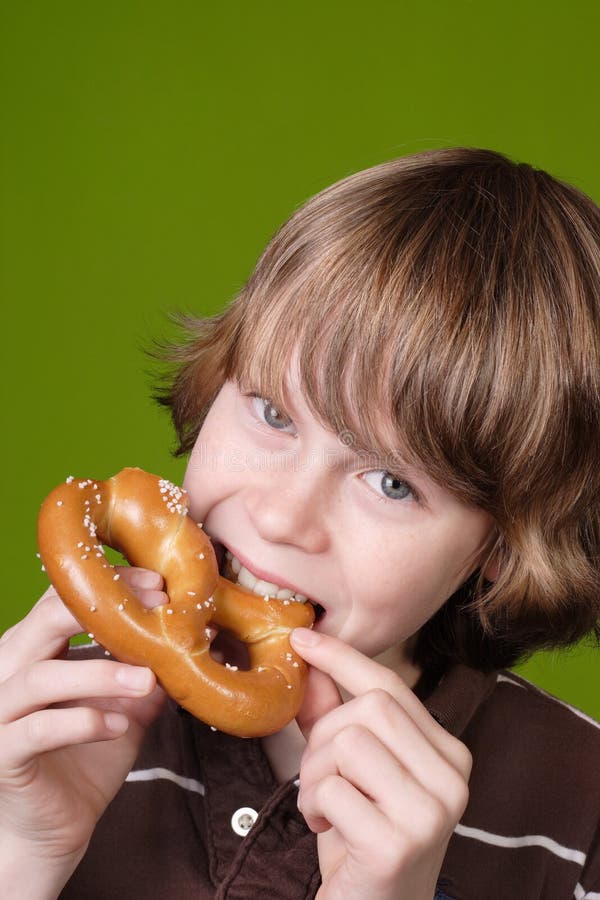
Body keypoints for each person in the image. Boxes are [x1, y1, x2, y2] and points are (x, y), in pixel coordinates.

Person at [1, 147, 599, 900]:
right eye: (273, 413)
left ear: (503, 551)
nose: (282, 516)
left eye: (391, 482)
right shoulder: (37, 736)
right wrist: (23, 854)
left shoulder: (580, 814)